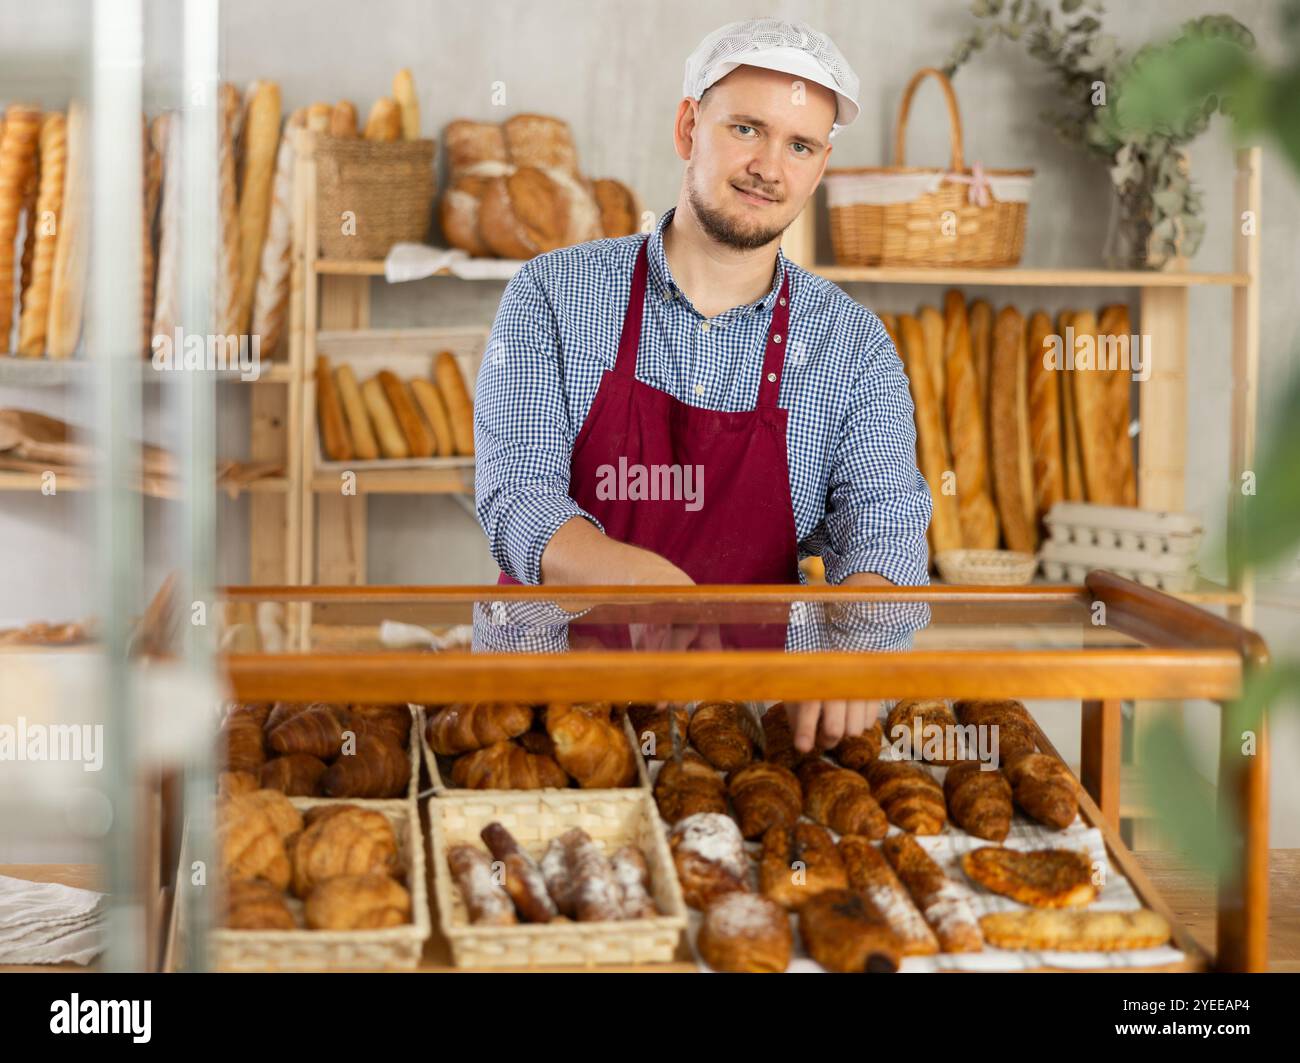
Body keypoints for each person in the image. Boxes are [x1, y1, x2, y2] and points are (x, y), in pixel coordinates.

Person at [474, 18, 932, 751]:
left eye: (800, 145)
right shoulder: (553, 293)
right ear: (689, 125)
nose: (769, 166)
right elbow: (516, 499)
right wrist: (649, 588)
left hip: (747, 733)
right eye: (746, 128)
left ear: (820, 166)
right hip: (545, 719)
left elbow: (885, 526)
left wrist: (863, 636)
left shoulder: (852, 346)